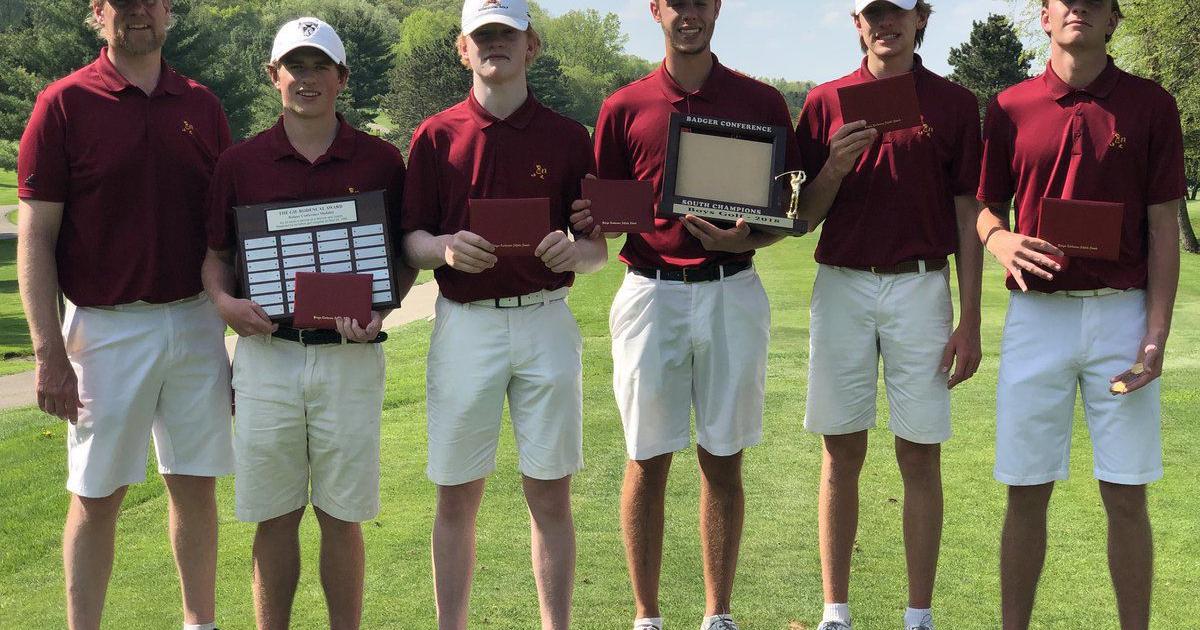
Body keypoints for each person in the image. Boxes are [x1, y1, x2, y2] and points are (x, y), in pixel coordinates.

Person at [572, 1, 800, 627]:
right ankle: (647, 616)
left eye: (701, 0)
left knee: (723, 457)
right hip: (651, 290)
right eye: (677, 2)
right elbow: (606, 213)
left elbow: (784, 216)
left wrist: (745, 238)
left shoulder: (762, 103)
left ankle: (717, 615)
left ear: (718, 6)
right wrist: (594, 218)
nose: (689, 13)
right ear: (656, 9)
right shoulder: (624, 106)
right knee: (646, 458)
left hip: (732, 287)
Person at [16, 1, 232, 629]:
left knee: (195, 485)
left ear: (169, 13)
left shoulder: (201, 104)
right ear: (99, 13)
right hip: (106, 328)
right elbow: (36, 237)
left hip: (194, 320)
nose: (139, 13)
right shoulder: (63, 103)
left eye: (151, 2)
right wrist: (48, 354)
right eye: (124, 2)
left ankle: (201, 623)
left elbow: (225, 231)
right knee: (96, 495)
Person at [976, 1, 1184, 629]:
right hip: (1037, 321)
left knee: (1126, 493)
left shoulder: (1152, 104)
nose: (1081, 9)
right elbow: (984, 206)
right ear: (1044, 18)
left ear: (1115, 19)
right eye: (1067, 0)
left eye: (1096, 1)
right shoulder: (1009, 107)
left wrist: (1156, 334)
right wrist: (999, 239)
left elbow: (1162, 228)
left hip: (1122, 318)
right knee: (1025, 489)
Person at [201, 17, 414, 630]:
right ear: (274, 77)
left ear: (343, 77)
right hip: (269, 355)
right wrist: (223, 304)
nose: (307, 78)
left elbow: (398, 258)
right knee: (274, 515)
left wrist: (383, 309)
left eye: (321, 66)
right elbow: (217, 256)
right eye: (295, 66)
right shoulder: (240, 163)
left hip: (350, 357)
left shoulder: (379, 160)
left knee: (342, 516)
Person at [399, 1, 607, 628]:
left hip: (547, 319)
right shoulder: (436, 136)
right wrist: (444, 248)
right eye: (482, 36)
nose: (495, 46)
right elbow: (410, 238)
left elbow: (599, 247)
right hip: (467, 324)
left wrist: (578, 251)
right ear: (463, 49)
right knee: (458, 492)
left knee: (550, 492)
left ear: (531, 47)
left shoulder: (571, 138)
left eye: (507, 36)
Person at [792, 1, 983, 629]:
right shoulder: (825, 102)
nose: (885, 24)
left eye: (898, 11)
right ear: (856, 23)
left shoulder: (954, 104)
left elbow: (966, 215)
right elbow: (801, 217)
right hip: (843, 284)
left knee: (920, 452)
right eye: (872, 13)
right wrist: (835, 167)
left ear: (921, 18)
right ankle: (836, 612)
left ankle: (918, 616)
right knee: (840, 449)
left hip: (923, 288)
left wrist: (970, 318)